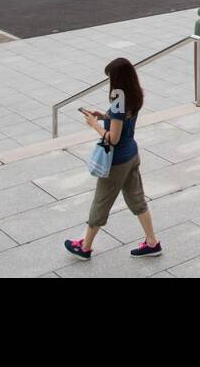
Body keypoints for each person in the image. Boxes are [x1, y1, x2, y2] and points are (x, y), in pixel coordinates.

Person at [63, 57, 162, 260]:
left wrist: (95, 124)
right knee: (136, 198)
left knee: (101, 202)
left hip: (116, 162)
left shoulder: (118, 101)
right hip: (132, 155)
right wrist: (105, 117)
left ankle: (85, 247)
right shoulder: (135, 95)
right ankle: (152, 242)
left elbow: (113, 139)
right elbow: (122, 124)